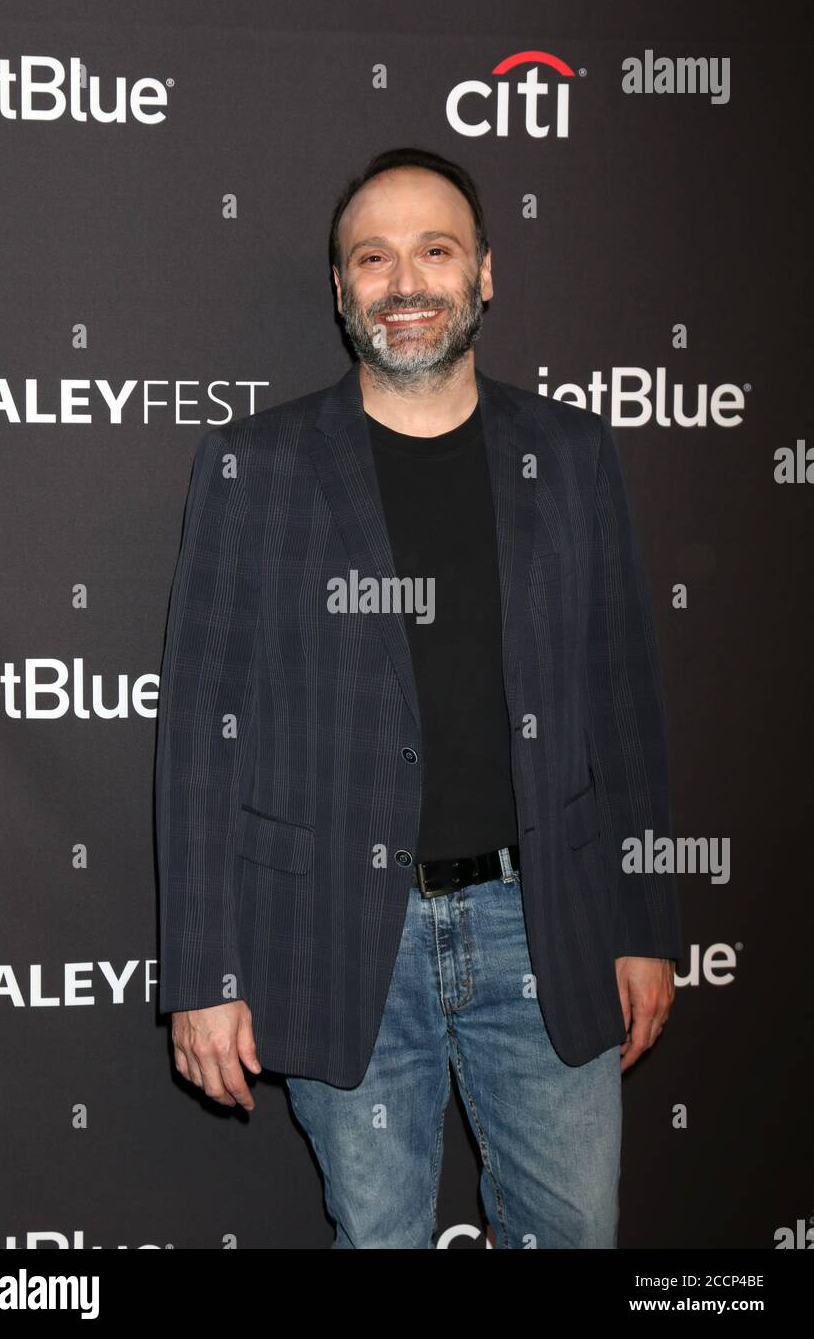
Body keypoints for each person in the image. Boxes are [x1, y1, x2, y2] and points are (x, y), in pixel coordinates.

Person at [154, 146, 682, 1249]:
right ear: (342, 289)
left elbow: (621, 700)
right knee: (379, 1235)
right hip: (341, 934)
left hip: (546, 929)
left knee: (574, 1230)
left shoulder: (570, 454)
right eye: (373, 258)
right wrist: (201, 970)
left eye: (434, 251)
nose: (405, 283)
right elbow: (201, 729)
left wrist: (642, 920)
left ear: (484, 273)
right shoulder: (255, 466)